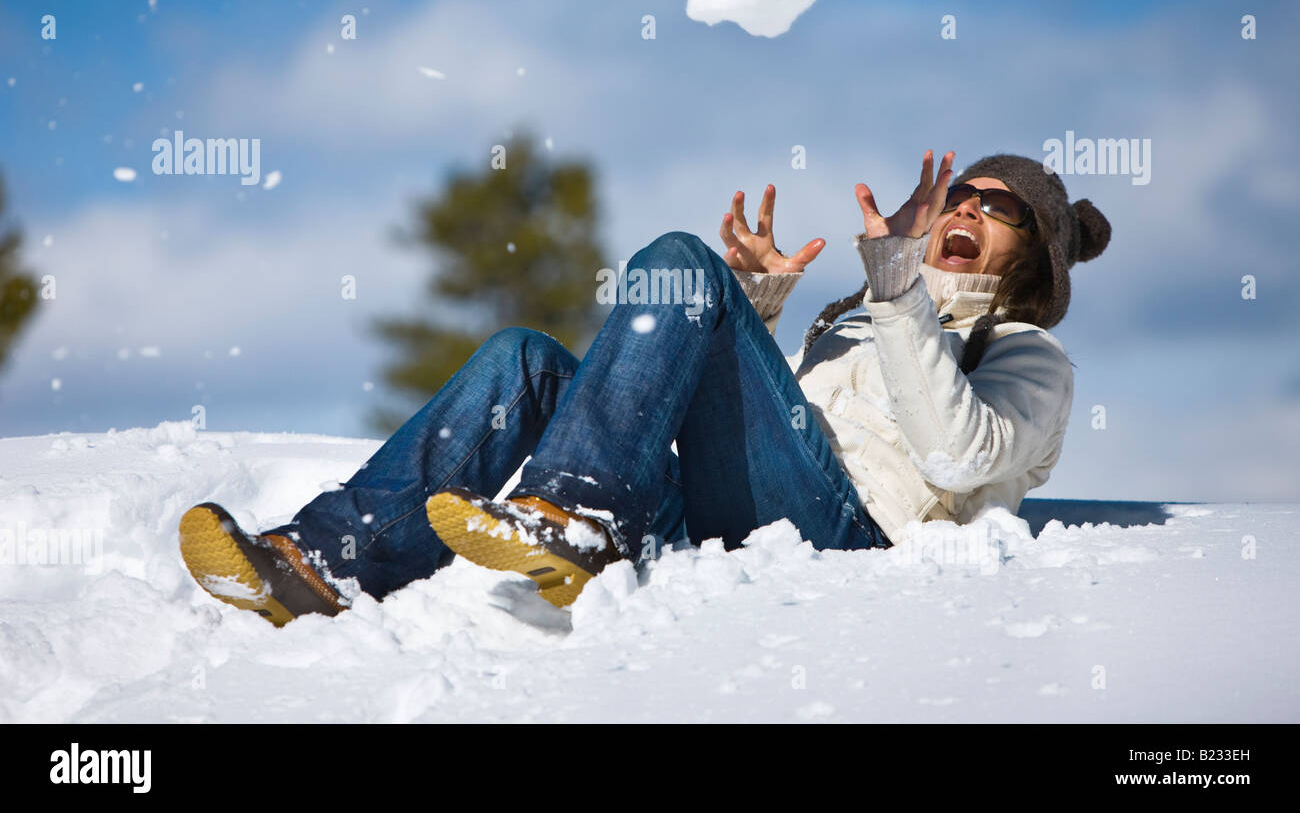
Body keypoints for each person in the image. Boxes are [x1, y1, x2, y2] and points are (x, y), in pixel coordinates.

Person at [178, 151, 1111, 625]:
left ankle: (577, 519)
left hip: (852, 541)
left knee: (677, 261)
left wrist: (897, 285)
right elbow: (768, 422)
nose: (969, 211)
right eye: (963, 196)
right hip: (754, 512)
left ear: (1036, 253)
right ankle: (324, 563)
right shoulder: (869, 315)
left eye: (1003, 209)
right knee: (523, 359)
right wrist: (762, 304)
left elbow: (956, 452)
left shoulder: (1026, 352)